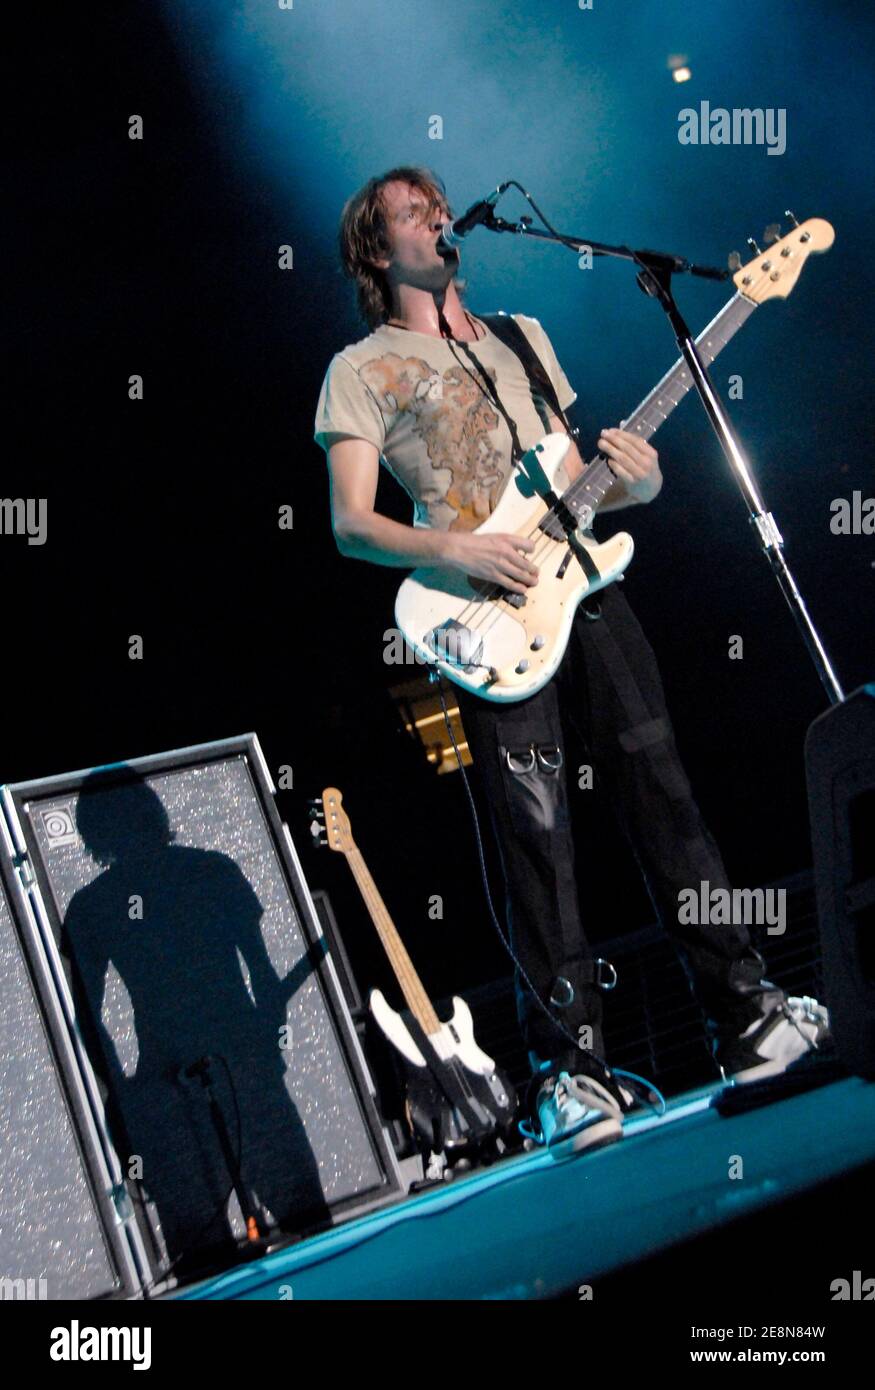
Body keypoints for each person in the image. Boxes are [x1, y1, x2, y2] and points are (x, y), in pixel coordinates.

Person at [313, 164, 830, 1153]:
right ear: (378, 251)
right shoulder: (359, 368)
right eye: (412, 213)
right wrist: (459, 548)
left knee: (664, 794)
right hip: (480, 618)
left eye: (436, 204)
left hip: (585, 589)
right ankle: (571, 1073)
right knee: (537, 840)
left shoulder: (520, 336)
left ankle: (748, 1015)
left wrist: (634, 476)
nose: (436, 217)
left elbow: (572, 477)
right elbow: (349, 524)